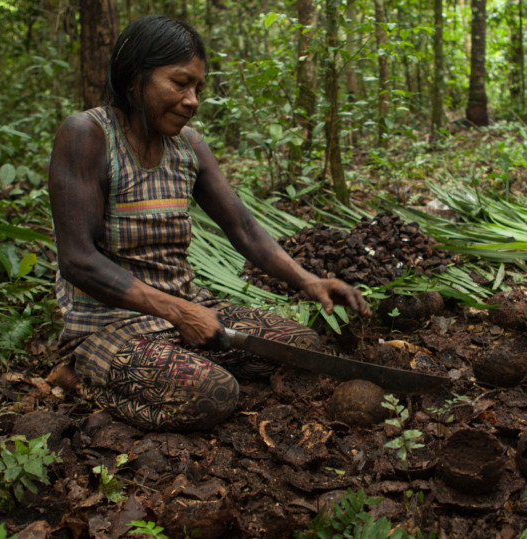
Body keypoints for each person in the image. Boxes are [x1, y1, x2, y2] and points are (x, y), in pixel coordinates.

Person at [48, 15, 371, 431]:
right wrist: (178, 312)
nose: (192, 100)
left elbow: (244, 229)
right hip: (110, 324)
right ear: (134, 78)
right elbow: (78, 260)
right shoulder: (87, 135)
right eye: (180, 83)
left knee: (301, 347)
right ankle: (83, 373)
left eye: (198, 88)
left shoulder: (189, 145)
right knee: (214, 395)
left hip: (186, 308)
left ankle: (176, 362)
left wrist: (308, 280)